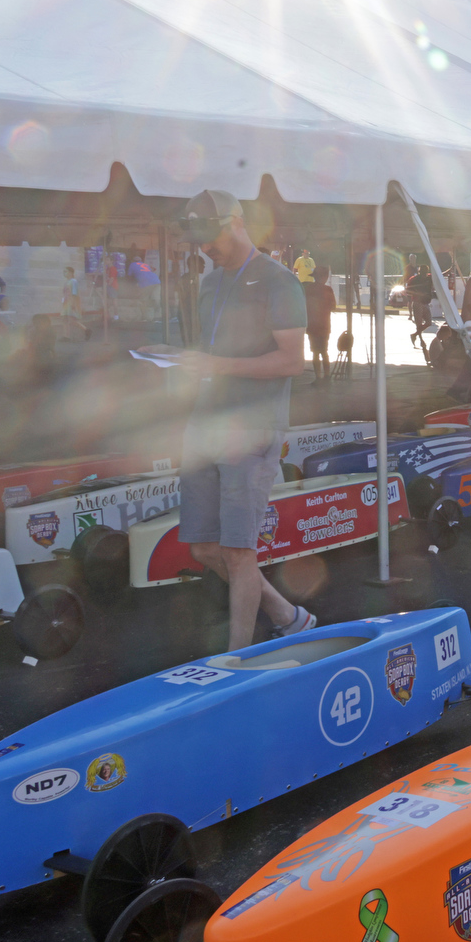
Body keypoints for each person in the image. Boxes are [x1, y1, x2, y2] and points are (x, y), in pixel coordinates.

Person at [172, 191, 315, 649]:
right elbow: (216, 354)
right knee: (203, 547)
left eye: (209, 237)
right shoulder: (211, 283)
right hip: (206, 423)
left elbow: (293, 361)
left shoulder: (278, 281)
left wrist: (217, 367)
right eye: (197, 241)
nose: (205, 249)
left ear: (235, 221)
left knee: (237, 551)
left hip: (250, 427)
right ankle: (287, 615)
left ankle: (239, 660)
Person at [302, 267, 334, 382]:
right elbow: (333, 306)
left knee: (315, 353)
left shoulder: (308, 289)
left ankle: (318, 377)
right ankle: (326, 375)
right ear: (324, 277)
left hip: (312, 326)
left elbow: (304, 305)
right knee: (324, 351)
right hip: (324, 325)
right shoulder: (328, 290)